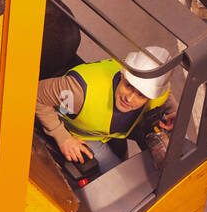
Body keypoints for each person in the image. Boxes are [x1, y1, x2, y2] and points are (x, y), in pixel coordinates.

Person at [35, 46, 178, 174]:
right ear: (123, 74)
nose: (129, 99)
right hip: (83, 133)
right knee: (117, 182)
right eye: (128, 86)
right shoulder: (77, 91)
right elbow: (37, 95)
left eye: (141, 95)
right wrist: (62, 137)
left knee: (175, 150)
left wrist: (174, 112)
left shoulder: (156, 89)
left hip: (121, 127)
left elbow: (166, 95)